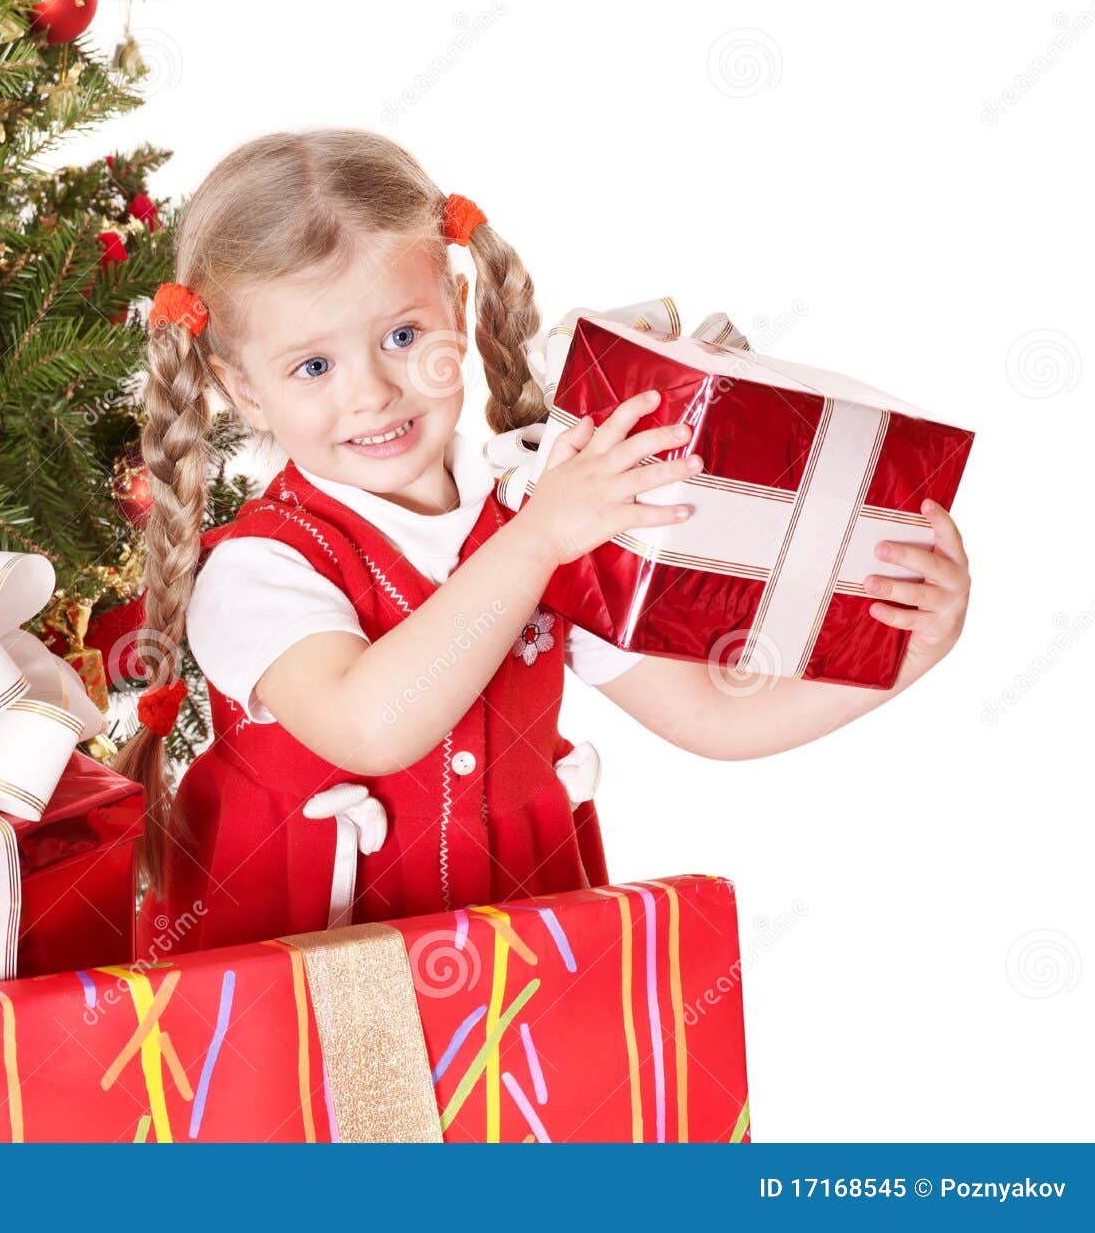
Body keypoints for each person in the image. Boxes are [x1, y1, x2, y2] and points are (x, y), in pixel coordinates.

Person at [112, 128, 970, 958]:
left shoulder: (537, 501)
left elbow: (710, 713)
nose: (371, 392)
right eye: (312, 367)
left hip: (515, 967)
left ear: (457, 308)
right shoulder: (261, 567)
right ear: (244, 391)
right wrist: (540, 538)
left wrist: (899, 654)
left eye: (402, 337)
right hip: (312, 989)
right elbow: (368, 726)